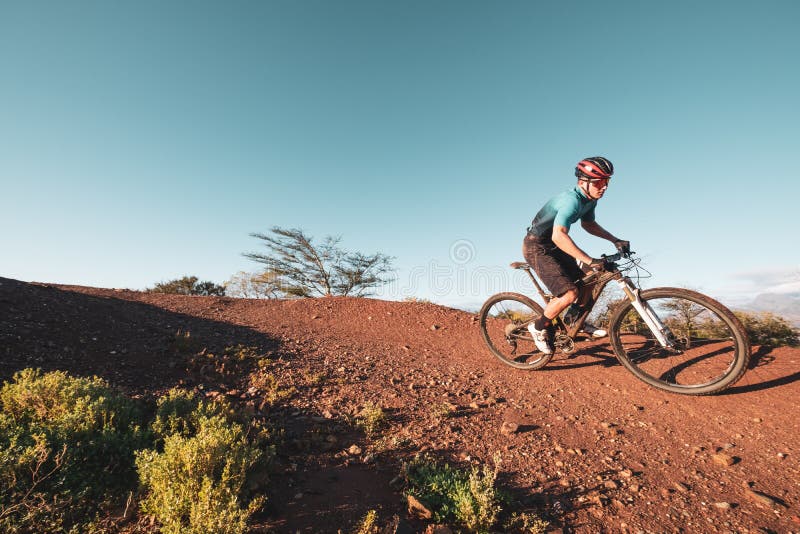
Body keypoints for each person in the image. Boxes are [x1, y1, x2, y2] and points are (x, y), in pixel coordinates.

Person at [523, 156, 630, 355]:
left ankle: (575, 320)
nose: (604, 187)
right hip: (537, 246)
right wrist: (591, 259)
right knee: (569, 293)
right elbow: (558, 235)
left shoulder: (590, 200)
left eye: (607, 182)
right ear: (582, 182)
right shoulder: (570, 201)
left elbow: (588, 225)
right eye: (599, 182)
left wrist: (615, 240)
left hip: (554, 245)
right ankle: (538, 328)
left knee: (589, 276)